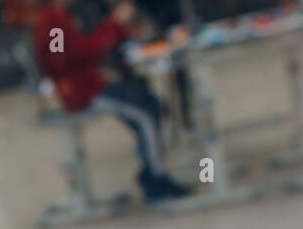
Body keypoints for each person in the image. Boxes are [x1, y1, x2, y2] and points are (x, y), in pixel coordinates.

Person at [31, 0, 191, 202]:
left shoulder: (59, 17)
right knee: (146, 112)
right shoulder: (53, 21)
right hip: (84, 93)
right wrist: (112, 25)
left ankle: (151, 170)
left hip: (91, 85)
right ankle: (156, 180)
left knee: (146, 100)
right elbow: (64, 58)